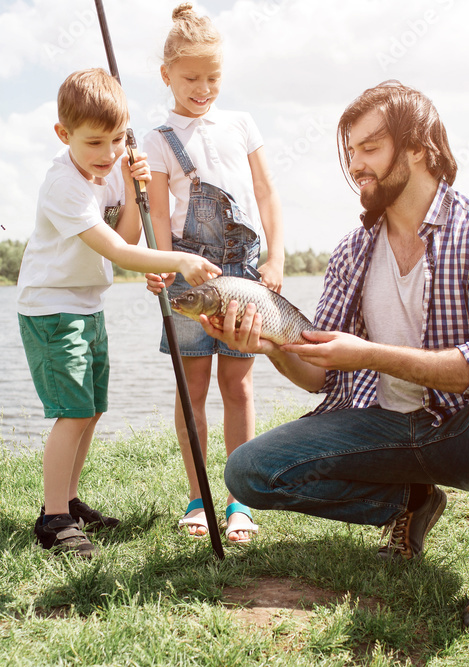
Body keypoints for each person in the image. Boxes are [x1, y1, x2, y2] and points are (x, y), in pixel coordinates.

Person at [201, 80, 469, 636]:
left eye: (369, 149)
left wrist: (371, 354)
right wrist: (269, 347)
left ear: (417, 148)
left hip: (461, 432)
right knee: (249, 473)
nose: (356, 167)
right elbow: (320, 372)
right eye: (350, 153)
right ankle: (408, 503)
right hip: (382, 428)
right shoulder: (353, 249)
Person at [17, 68, 220, 558]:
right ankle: (52, 518)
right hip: (52, 310)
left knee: (93, 409)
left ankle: (67, 498)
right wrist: (177, 261)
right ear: (63, 135)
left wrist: (133, 187)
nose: (107, 154)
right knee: (74, 411)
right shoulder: (64, 185)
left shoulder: (103, 174)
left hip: (87, 305)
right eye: (94, 143)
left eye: (115, 141)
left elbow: (130, 234)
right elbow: (119, 252)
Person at [143, 3, 285, 545]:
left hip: (243, 271)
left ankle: (240, 500)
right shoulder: (157, 140)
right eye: (191, 78)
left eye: (213, 77)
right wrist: (159, 263)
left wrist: (275, 258)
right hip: (187, 270)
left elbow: (268, 193)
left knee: (239, 385)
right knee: (191, 387)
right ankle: (199, 496)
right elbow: (158, 215)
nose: (203, 88)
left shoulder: (242, 124)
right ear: (167, 76)